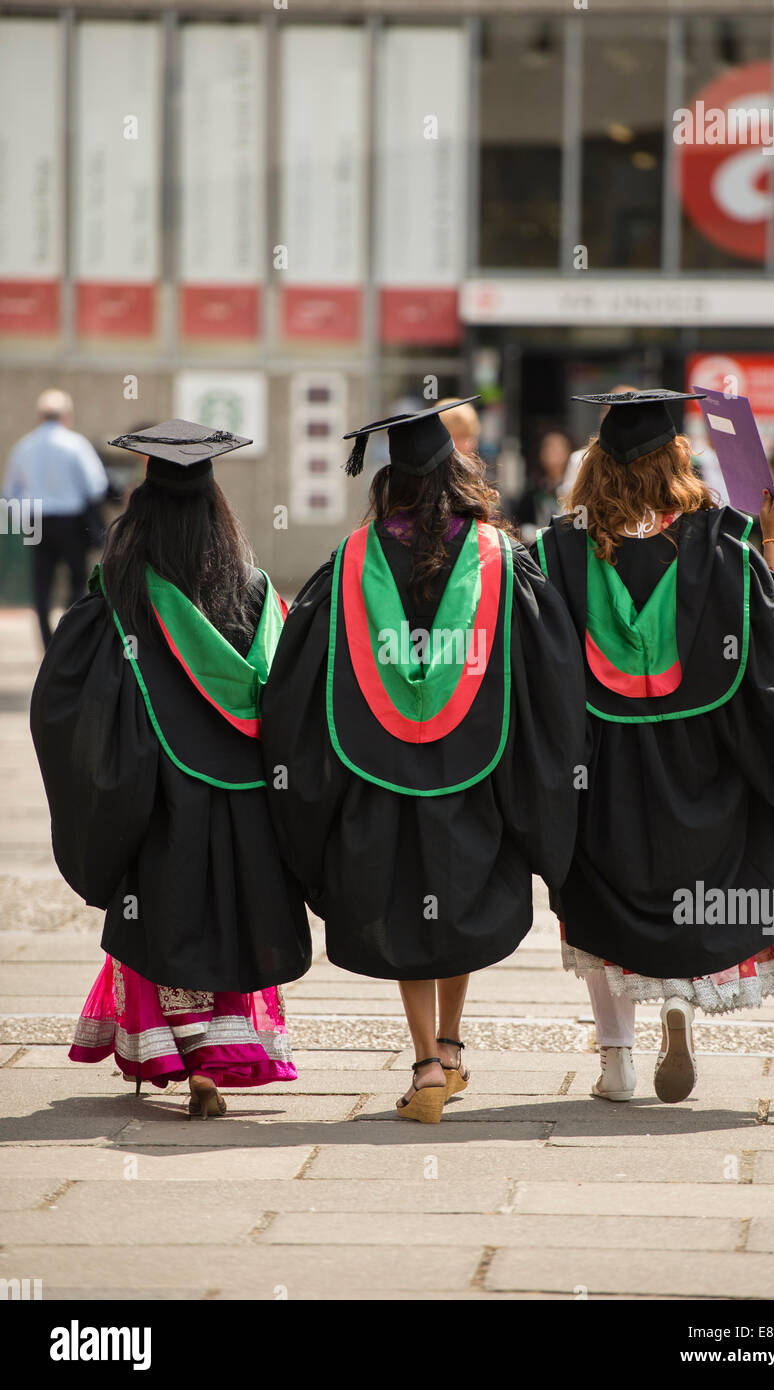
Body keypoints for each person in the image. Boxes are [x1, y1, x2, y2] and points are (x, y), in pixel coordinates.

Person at [262, 398, 584, 1123]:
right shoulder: (502, 560)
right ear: (458, 472)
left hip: (381, 777)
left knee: (406, 908)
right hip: (475, 769)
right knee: (455, 903)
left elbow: (298, 682)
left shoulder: (350, 562)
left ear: (388, 485)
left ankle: (426, 1066)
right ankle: (454, 1043)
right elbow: (548, 676)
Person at [532, 389, 774, 1105]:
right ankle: (678, 1003)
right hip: (702, 757)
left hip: (602, 765)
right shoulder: (723, 540)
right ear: (678, 457)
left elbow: (537, 663)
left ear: (595, 466)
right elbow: (771, 657)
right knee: (693, 885)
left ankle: (615, 1063)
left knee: (600, 894)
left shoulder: (557, 548)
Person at [30, 420, 312, 1119]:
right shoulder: (253, 591)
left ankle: (184, 1057)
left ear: (142, 509)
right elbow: (286, 696)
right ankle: (221, 1053)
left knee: (164, 909)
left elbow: (63, 701)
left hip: (158, 791)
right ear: (218, 509)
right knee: (230, 912)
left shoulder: (119, 593)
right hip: (243, 795)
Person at [4, 389, 109, 648]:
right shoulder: (75, 444)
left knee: (42, 583)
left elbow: (9, 492)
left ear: (40, 416)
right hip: (71, 521)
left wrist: (26, 513)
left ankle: (47, 643)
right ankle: (71, 640)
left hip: (36, 519)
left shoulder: (24, 446)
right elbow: (96, 485)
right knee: (76, 581)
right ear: (67, 416)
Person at [512, 428, 575, 543]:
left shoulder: (574, 490)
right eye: (548, 447)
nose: (552, 451)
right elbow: (518, 525)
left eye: (558, 447)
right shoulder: (533, 492)